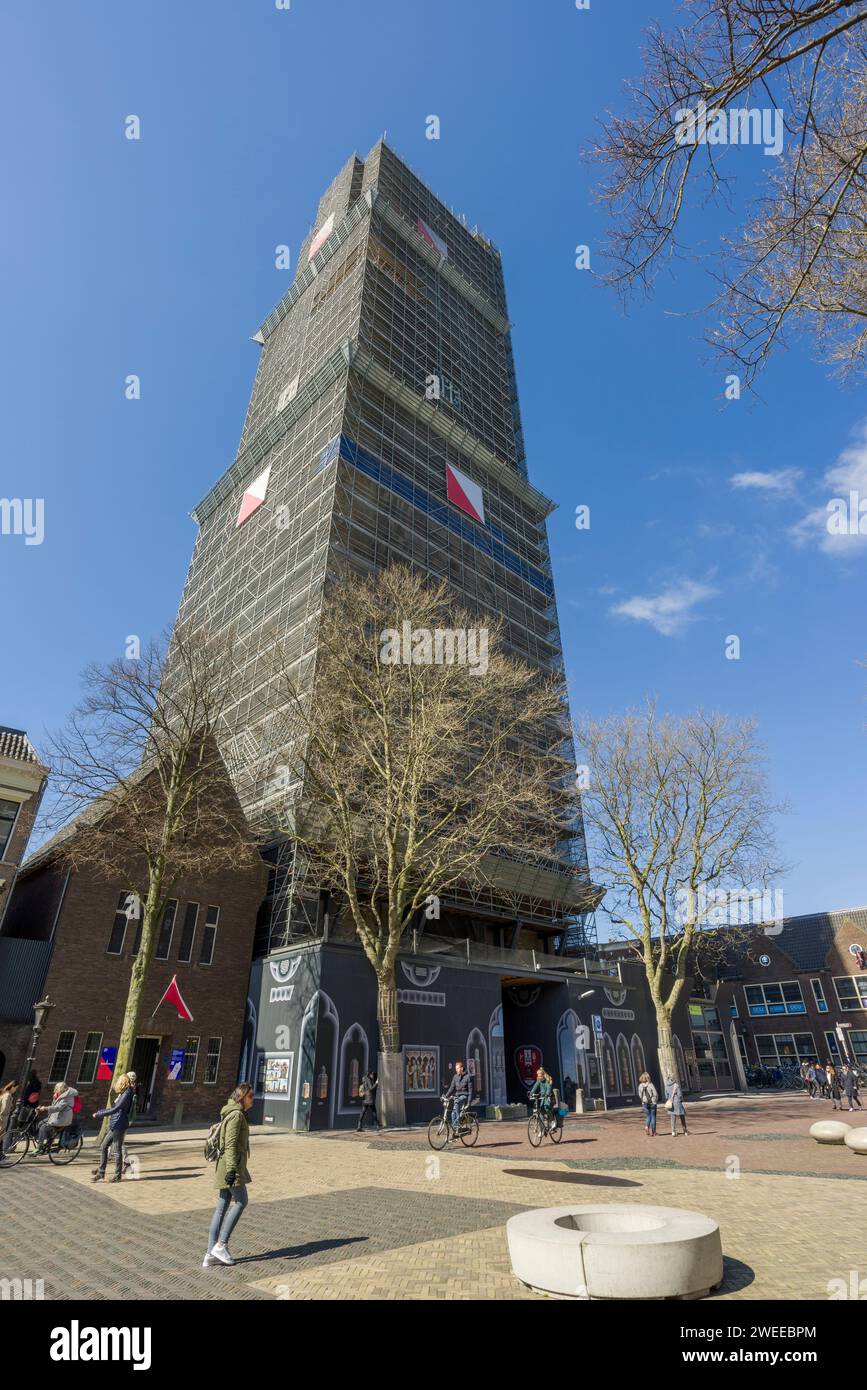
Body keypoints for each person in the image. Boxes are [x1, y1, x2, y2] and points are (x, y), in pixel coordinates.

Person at [204, 1082, 254, 1268]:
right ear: (241, 1097)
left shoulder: (232, 1113)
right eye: (250, 1096)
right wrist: (232, 1170)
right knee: (241, 1201)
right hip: (231, 1166)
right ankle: (221, 1245)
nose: (253, 1100)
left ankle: (210, 1253)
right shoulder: (236, 1116)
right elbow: (231, 1144)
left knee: (222, 1207)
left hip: (227, 1165)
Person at [91, 1073, 135, 1182]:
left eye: (119, 1081)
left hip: (119, 1125)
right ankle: (101, 1173)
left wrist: (100, 1113)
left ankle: (117, 1175)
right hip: (115, 1124)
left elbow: (116, 1109)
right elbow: (115, 1107)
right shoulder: (123, 1093)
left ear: (122, 1082)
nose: (117, 1084)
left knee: (117, 1149)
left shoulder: (127, 1093)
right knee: (104, 1146)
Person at [35, 1081, 79, 1152]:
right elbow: (54, 1107)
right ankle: (49, 1142)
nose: (55, 1091)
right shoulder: (60, 1095)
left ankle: (39, 1147)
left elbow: (58, 1108)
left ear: (61, 1089)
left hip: (62, 1119)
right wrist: (55, 1098)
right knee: (41, 1123)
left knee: (44, 1127)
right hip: (56, 1117)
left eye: (57, 1089)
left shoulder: (67, 1097)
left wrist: (45, 1108)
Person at [443, 1061, 473, 1139]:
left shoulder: (467, 1077)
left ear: (462, 1068)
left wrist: (469, 1102)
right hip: (457, 1096)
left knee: (457, 1103)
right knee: (453, 1114)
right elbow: (451, 1088)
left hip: (464, 1096)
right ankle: (456, 1130)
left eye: (458, 1068)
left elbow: (470, 1090)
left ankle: (458, 1128)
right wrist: (446, 1096)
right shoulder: (455, 1077)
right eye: (456, 1069)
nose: (456, 1070)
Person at [638, 1071, 658, 1136]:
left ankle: (646, 1127)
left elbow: (640, 1095)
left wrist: (643, 1100)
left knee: (648, 1116)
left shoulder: (640, 1086)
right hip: (652, 1102)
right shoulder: (650, 1084)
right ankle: (654, 1132)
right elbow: (655, 1093)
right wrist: (656, 1099)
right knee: (653, 1116)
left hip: (644, 1103)